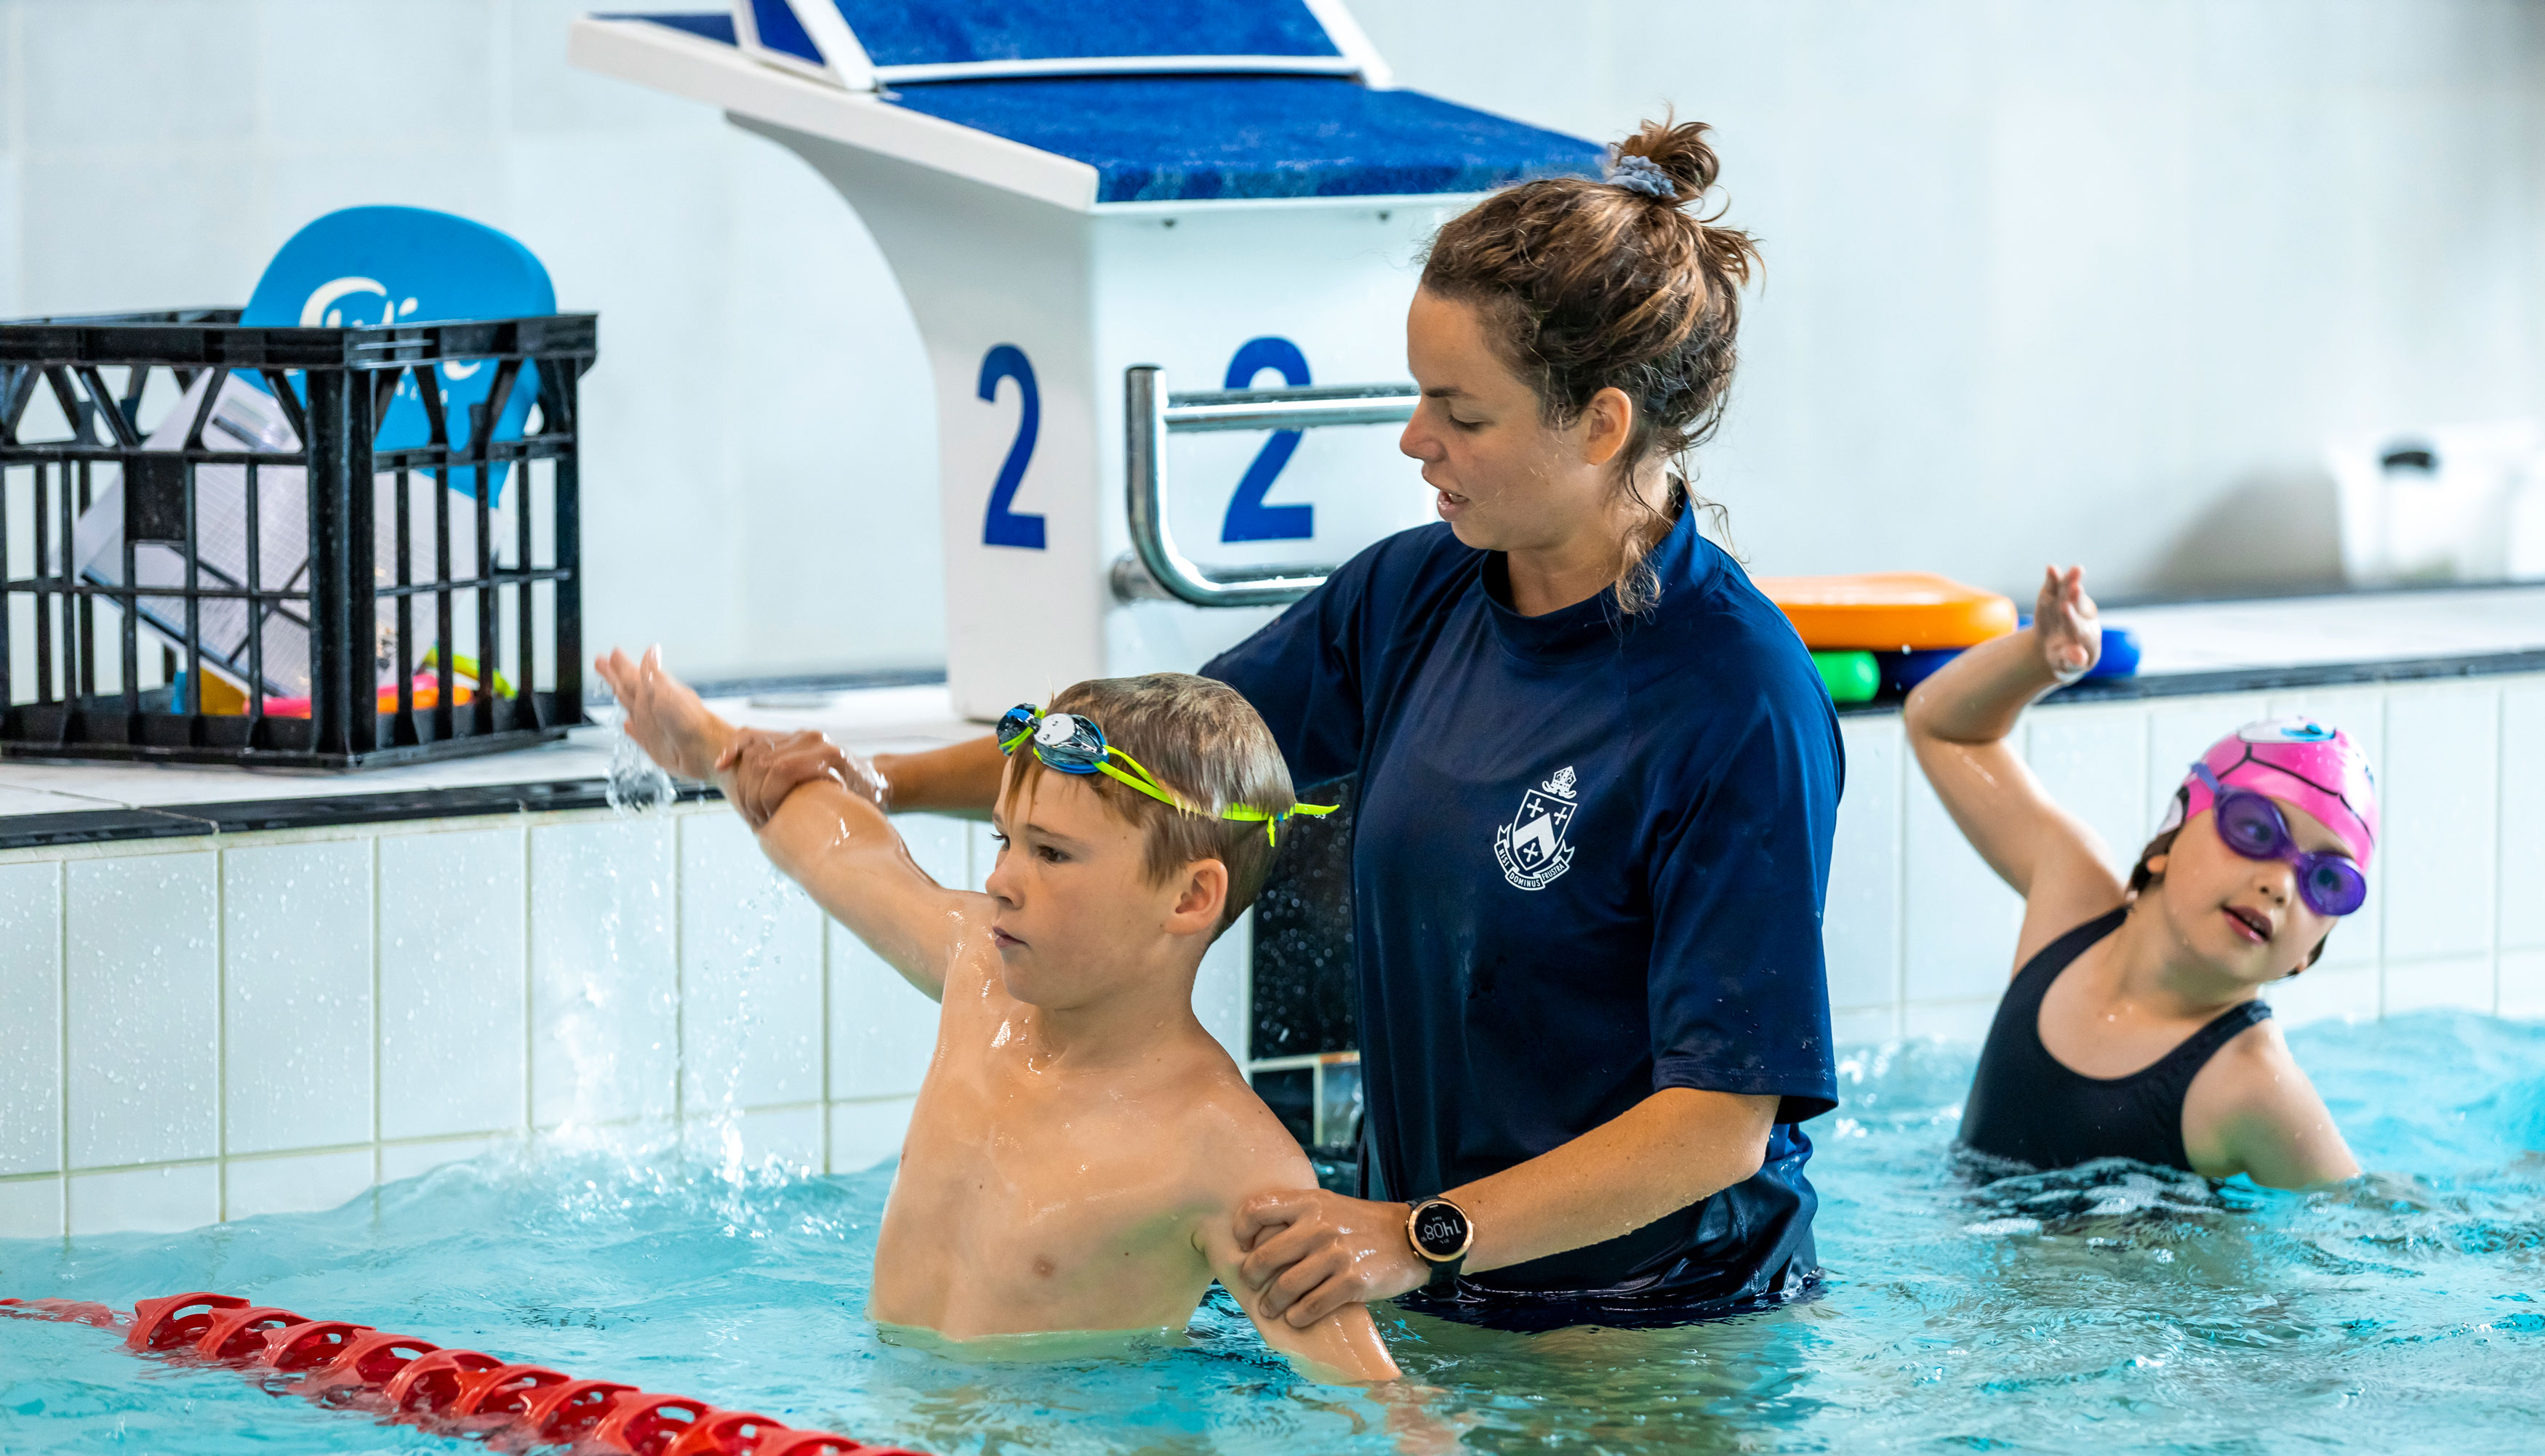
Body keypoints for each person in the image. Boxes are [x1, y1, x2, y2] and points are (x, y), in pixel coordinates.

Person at [763, 117, 1845, 1334]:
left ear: (1599, 426)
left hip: (1655, 1326)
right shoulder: (1416, 594)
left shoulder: (1732, 698)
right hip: (1436, 1285)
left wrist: (1417, 1231)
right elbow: (1139, 763)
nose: (1414, 439)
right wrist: (889, 779)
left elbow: (1719, 1122)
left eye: (1460, 412)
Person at [594, 646, 1399, 1381]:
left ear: (1189, 896)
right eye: (1002, 838)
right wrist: (708, 743)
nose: (1003, 879)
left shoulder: (1225, 1152)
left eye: (1050, 853)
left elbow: (1368, 1399)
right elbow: (841, 850)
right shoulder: (978, 972)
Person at [1903, 565, 2366, 1187]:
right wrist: (2042, 662)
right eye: (2256, 830)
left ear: (2310, 952)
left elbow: (2361, 1242)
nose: (2281, 884)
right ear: (2168, 839)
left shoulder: (2253, 1082)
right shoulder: (2071, 896)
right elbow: (1939, 725)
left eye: (2326, 881)